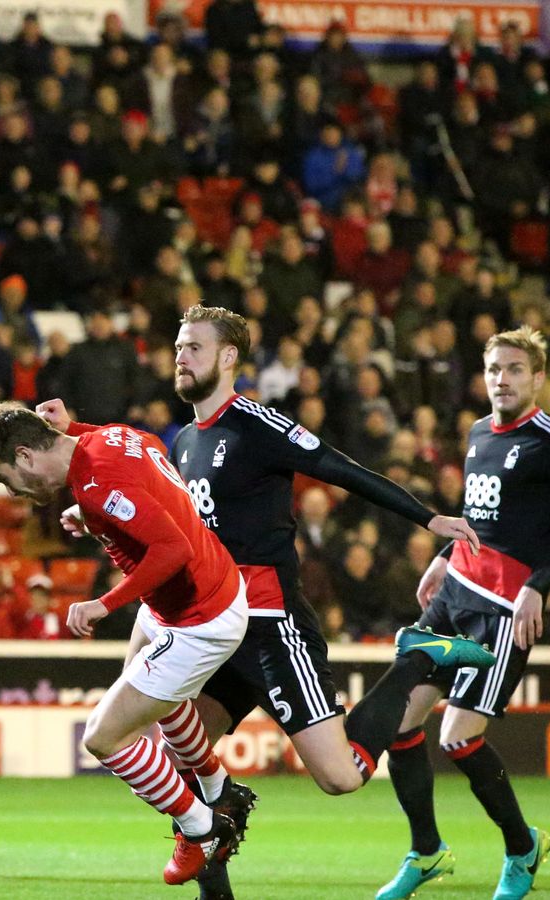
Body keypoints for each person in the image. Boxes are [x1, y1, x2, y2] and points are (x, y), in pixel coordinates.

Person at [38, 305, 490, 895]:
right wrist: (79, 479)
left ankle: (416, 659)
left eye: (193, 347)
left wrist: (427, 517)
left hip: (270, 621)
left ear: (229, 358)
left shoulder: (255, 423)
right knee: (183, 761)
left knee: (340, 777)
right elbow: (148, 504)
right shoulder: (182, 441)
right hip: (209, 620)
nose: (180, 356)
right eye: (177, 346)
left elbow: (339, 468)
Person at [0, 403, 247, 887]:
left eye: (7, 477)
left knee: (102, 737)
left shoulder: (98, 483)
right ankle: (219, 787)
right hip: (201, 592)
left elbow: (173, 548)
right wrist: (83, 468)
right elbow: (147, 454)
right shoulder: (108, 437)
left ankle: (202, 827)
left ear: (25, 455)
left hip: (199, 616)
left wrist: (105, 602)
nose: (12, 491)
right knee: (152, 696)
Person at [379, 325, 550, 900]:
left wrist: (539, 587)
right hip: (455, 593)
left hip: (502, 610)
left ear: (539, 377)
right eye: (494, 369)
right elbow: (487, 518)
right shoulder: (479, 432)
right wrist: (446, 556)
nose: (502, 379)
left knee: (456, 737)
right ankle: (426, 853)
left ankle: (522, 847)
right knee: (400, 721)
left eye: (515, 369)